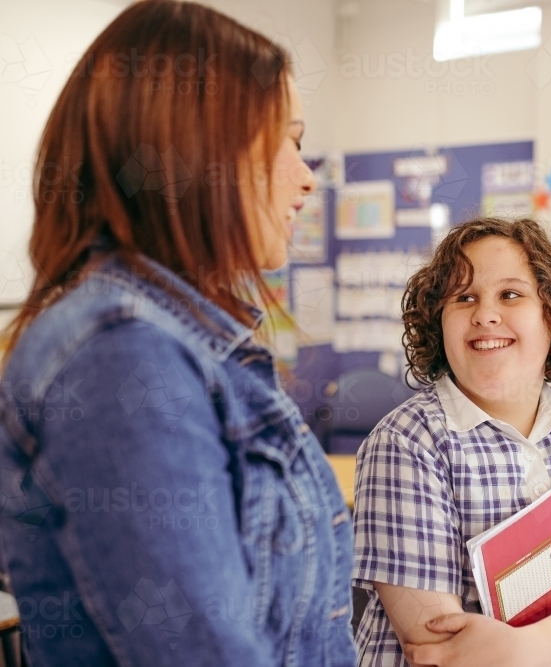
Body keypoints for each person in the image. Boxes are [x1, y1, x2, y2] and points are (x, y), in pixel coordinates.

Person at [0, 2, 355, 665]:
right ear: (195, 150)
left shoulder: (184, 340)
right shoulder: (120, 355)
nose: (306, 176)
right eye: (286, 139)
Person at [352, 217, 551, 667]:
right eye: (463, 298)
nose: (485, 314)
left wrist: (523, 650)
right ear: (437, 323)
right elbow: (439, 651)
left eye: (511, 294)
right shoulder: (406, 445)